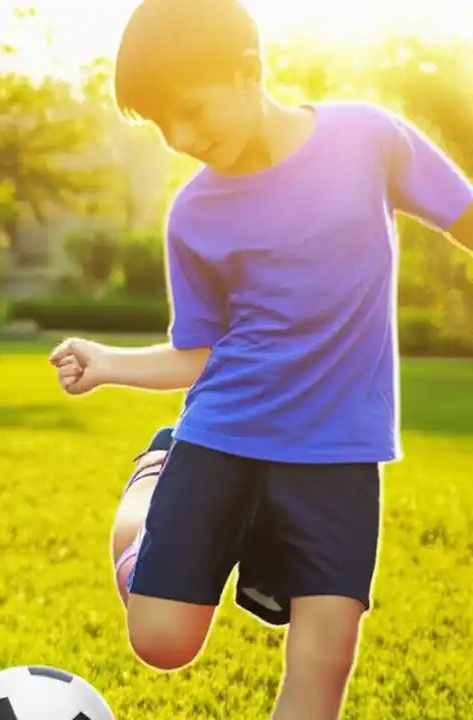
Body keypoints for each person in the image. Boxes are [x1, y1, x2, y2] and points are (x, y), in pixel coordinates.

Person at [48, 1, 473, 718]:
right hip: (223, 436)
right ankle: (153, 478)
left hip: (338, 453)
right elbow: (200, 353)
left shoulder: (367, 138)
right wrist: (109, 362)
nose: (182, 138)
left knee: (323, 659)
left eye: (191, 111)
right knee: (162, 640)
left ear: (249, 71)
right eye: (161, 125)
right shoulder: (194, 215)